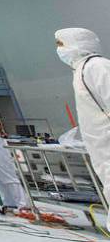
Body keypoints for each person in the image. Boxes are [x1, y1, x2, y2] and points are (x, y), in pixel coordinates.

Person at [54, 27, 110, 228]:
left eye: (61, 45)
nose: (58, 50)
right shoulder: (81, 71)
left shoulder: (97, 67)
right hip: (102, 150)